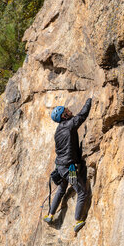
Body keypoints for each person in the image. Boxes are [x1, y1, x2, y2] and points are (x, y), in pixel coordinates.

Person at [43, 98, 92, 232]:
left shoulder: (58, 131)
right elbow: (82, 115)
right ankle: (78, 221)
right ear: (64, 116)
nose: (69, 110)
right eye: (66, 110)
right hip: (69, 168)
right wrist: (89, 100)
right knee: (82, 192)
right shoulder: (70, 125)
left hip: (60, 166)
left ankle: (50, 215)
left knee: (61, 189)